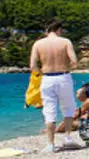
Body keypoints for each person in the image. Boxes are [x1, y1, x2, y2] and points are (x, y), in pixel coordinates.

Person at [29, 19, 78, 152]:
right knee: (68, 108)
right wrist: (66, 66)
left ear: (47, 30)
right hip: (63, 76)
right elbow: (74, 61)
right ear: (59, 29)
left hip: (47, 78)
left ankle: (51, 143)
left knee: (49, 110)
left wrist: (41, 72)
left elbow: (33, 66)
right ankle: (67, 138)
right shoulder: (65, 42)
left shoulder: (38, 44)